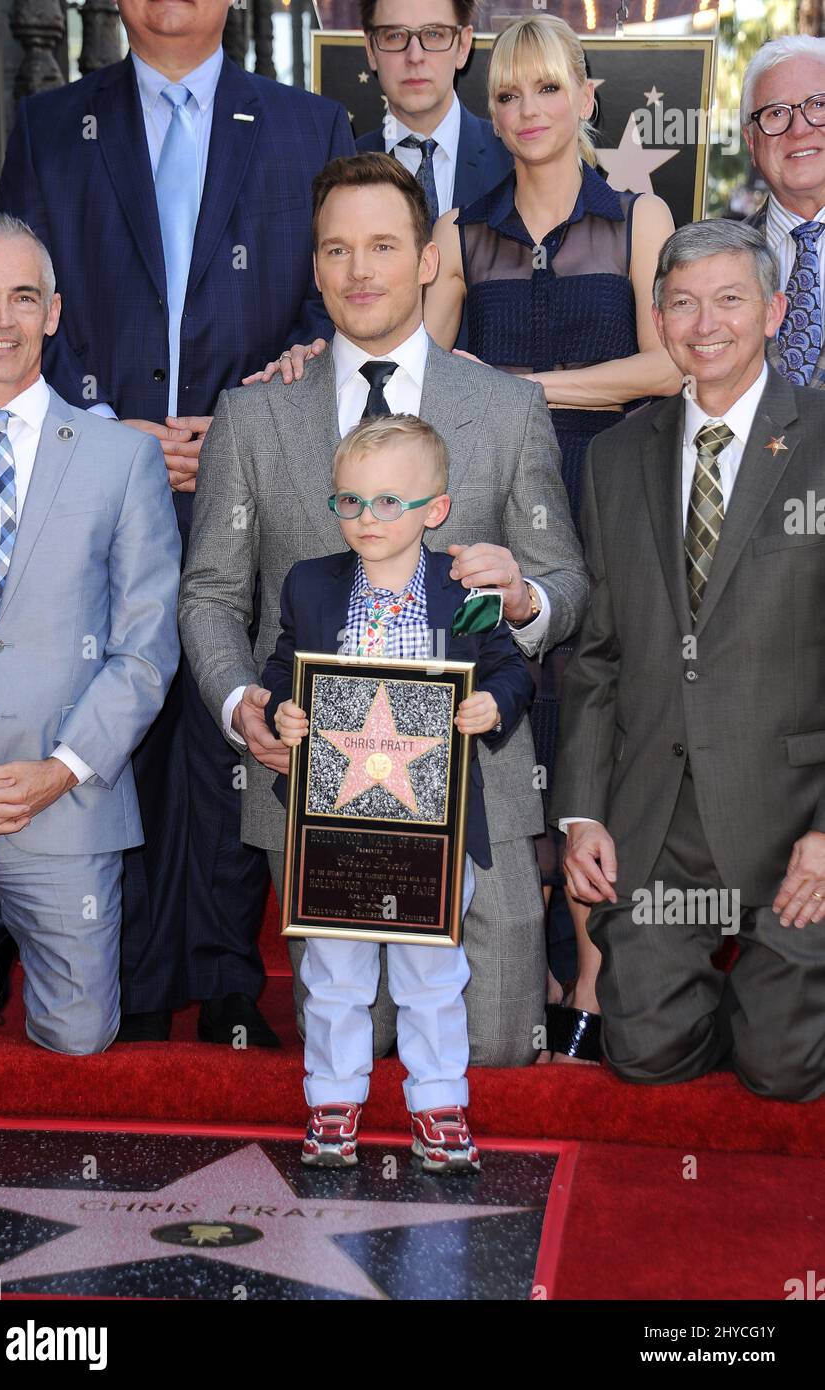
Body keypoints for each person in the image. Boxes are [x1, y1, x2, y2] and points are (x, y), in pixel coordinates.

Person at [0, 0, 356, 1045]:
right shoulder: (56, 127)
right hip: (102, 463)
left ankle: (227, 968)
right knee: (121, 701)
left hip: (252, 460)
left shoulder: (306, 127)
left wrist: (244, 414)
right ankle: (140, 969)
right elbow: (24, 300)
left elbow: (326, 300)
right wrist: (113, 427)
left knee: (235, 710)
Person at [179, 152, 587, 1069]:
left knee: (493, 1050)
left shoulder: (505, 407)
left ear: (428, 260)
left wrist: (524, 598)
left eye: (382, 245)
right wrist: (242, 702)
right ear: (314, 267)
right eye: (336, 249)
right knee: (350, 1049)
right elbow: (208, 594)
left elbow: (568, 580)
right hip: (324, 794)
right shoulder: (253, 416)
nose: (359, 271)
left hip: (478, 783)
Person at [424, 13, 681, 1063]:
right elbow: (424, 374)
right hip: (493, 526)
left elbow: (668, 367)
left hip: (609, 508)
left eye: (545, 90)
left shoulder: (638, 217)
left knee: (595, 736)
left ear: (585, 100)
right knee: (504, 738)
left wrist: (529, 392)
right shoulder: (458, 229)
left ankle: (590, 975)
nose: (526, 112)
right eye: (507, 96)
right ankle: (508, 962)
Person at [552, 219, 825, 1103]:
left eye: (729, 299)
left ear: (775, 311)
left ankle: (775, 1002)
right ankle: (731, 1000)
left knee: (782, 1068)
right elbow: (595, 655)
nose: (704, 323)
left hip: (798, 834)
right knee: (645, 1054)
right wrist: (582, 815)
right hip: (668, 834)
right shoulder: (615, 457)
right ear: (659, 321)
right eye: (680, 302)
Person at [263, 414, 534, 1168]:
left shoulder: (462, 587)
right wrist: (284, 707)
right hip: (335, 824)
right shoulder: (310, 583)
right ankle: (332, 1103)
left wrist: (495, 703)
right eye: (348, 502)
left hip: (433, 825)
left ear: (435, 510)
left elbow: (512, 667)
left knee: (431, 972)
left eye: (388, 502)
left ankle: (439, 1104)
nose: (365, 518)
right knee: (334, 973)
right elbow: (281, 664)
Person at [0, 214, 180, 1052]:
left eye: (23, 298)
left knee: (78, 1039)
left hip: (65, 798)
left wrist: (61, 770)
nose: (1, 322)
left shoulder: (121, 458)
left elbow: (147, 646)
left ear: (53, 313)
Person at [355, 0, 512, 221]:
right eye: (395, 36)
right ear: (371, 49)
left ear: (463, 46)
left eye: (434, 34)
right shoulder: (343, 165)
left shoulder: (513, 160)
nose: (415, 56)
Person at [742, 35, 825, 388]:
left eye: (819, 105)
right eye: (776, 113)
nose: (800, 128)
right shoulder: (713, 263)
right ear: (751, 142)